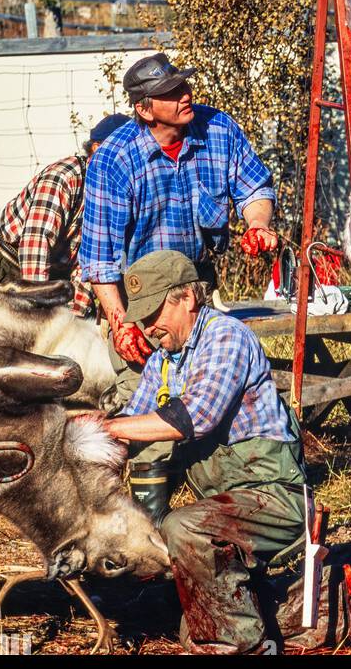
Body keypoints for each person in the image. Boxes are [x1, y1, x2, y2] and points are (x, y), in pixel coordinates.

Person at [80, 53, 278, 514]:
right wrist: (120, 320)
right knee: (142, 407)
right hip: (140, 301)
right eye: (171, 93)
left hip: (195, 291)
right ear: (145, 108)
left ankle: (225, 500)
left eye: (184, 87)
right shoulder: (114, 160)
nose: (185, 96)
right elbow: (99, 260)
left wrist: (257, 225)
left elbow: (255, 189)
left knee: (212, 396)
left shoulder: (219, 130)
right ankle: (139, 527)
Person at [105, 250, 306, 656]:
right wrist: (84, 440)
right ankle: (274, 613)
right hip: (226, 508)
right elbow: (131, 423)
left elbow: (195, 415)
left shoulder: (225, 336)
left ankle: (247, 649)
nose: (146, 328)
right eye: (140, 318)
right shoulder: (164, 359)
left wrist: (111, 427)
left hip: (277, 498)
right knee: (194, 629)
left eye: (153, 312)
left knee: (183, 529)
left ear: (187, 299)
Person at [0, 114, 129, 315]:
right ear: (97, 149)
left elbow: (89, 262)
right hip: (6, 265)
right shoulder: (64, 177)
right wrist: (38, 312)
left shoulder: (113, 195)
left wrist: (75, 318)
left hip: (53, 275)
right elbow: (36, 244)